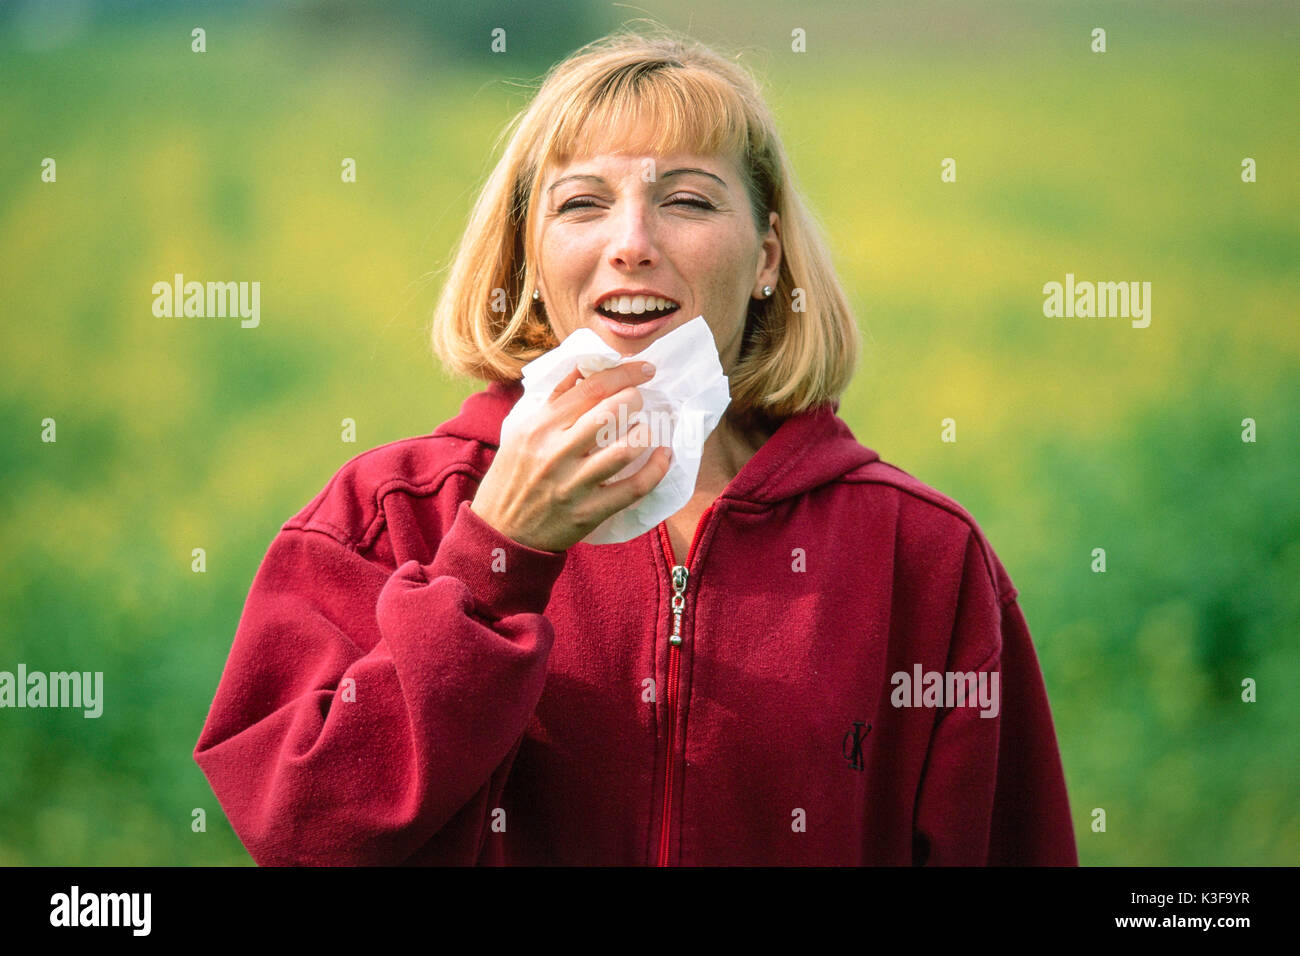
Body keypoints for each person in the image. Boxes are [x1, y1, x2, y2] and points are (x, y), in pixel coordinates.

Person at [193, 26, 1077, 866]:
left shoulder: (921, 556)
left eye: (688, 200)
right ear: (529, 260)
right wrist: (497, 553)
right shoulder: (387, 515)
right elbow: (307, 837)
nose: (632, 244)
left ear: (767, 258)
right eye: (582, 204)